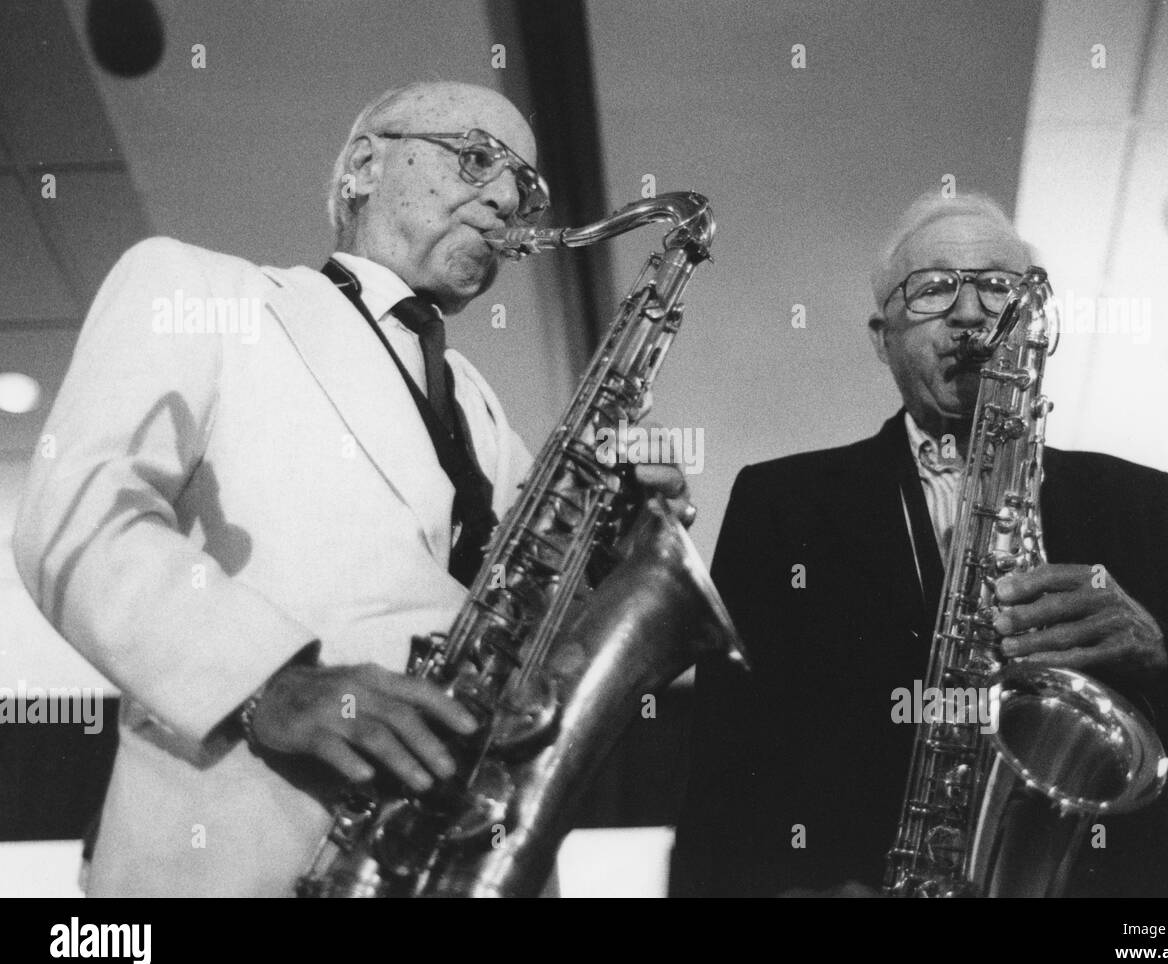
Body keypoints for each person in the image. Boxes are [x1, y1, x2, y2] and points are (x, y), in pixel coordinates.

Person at [13, 81, 689, 897]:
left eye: (527, 186)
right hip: (243, 852)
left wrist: (614, 554)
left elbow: (534, 632)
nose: (508, 198)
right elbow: (79, 514)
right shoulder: (200, 289)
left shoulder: (487, 409)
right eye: (479, 158)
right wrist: (270, 683)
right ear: (366, 164)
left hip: (461, 861)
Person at [671, 192, 1168, 897]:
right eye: (933, 288)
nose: (970, 311)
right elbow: (721, 768)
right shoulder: (783, 504)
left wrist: (1157, 648)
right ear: (880, 336)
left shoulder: (1134, 501)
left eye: (999, 286)